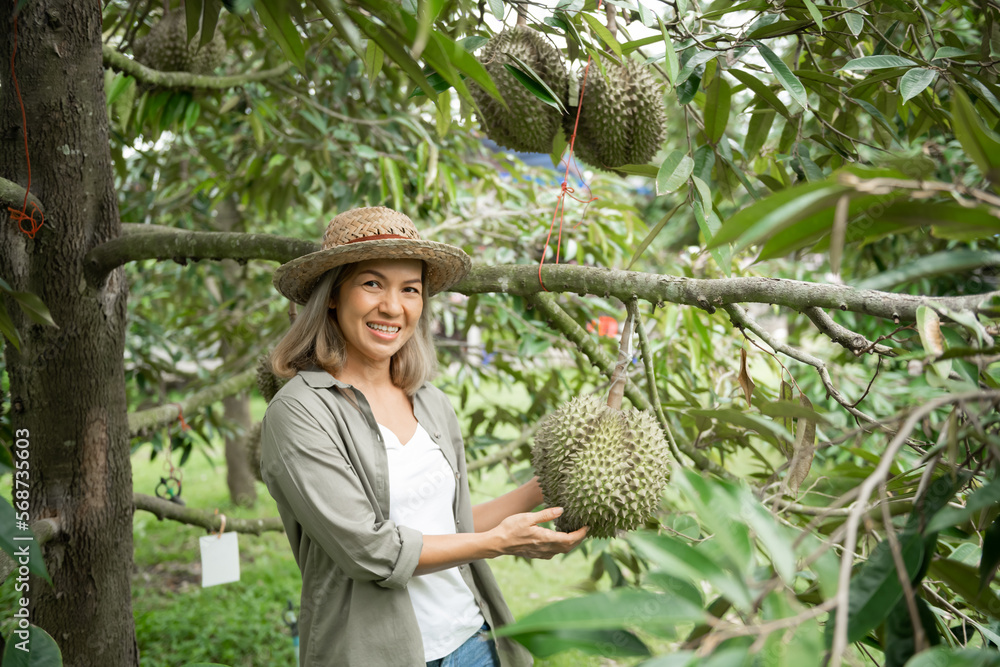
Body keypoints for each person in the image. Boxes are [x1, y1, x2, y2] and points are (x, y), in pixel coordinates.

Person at [260, 206, 588, 667]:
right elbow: (370, 553)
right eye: (372, 284)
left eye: (410, 290)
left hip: (474, 640)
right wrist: (502, 542)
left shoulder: (429, 400)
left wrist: (547, 488)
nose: (393, 307)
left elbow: (450, 525)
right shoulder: (300, 412)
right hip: (378, 654)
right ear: (333, 295)